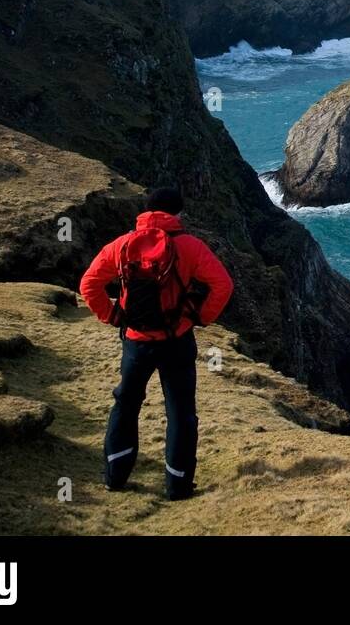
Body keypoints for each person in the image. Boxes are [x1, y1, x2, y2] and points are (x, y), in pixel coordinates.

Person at [79, 186, 233, 500]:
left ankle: (115, 478)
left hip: (136, 341)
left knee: (126, 405)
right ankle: (177, 486)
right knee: (180, 412)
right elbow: (223, 284)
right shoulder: (189, 246)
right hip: (176, 340)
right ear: (178, 214)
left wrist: (111, 316)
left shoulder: (122, 245)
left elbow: (89, 283)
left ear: (146, 212)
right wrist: (201, 317)